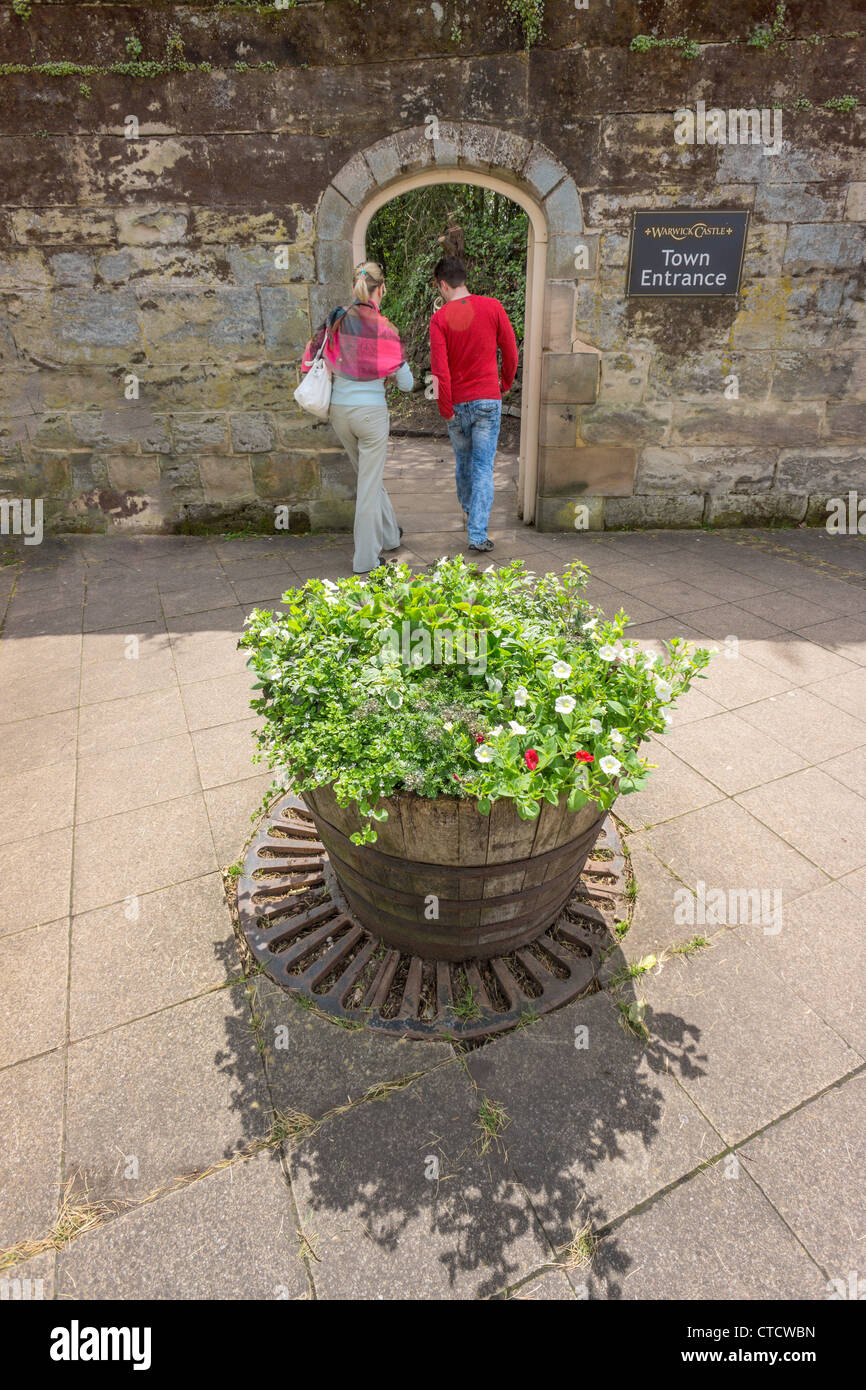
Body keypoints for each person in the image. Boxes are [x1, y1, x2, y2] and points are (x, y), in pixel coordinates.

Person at [304, 262, 413, 575]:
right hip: (371, 414)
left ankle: (390, 535)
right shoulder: (384, 327)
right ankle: (366, 558)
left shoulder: (336, 318)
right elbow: (406, 384)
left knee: (369, 478)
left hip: (339, 410)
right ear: (382, 290)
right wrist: (386, 373)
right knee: (368, 485)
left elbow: (313, 354)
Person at [429, 253, 519, 553]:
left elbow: (440, 370)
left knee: (463, 462)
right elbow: (511, 353)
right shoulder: (493, 307)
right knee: (483, 467)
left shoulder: (439, 319)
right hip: (487, 401)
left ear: (443, 285)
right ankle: (477, 534)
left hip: (456, 403)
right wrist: (504, 384)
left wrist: (445, 407)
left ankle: (470, 511)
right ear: (463, 279)